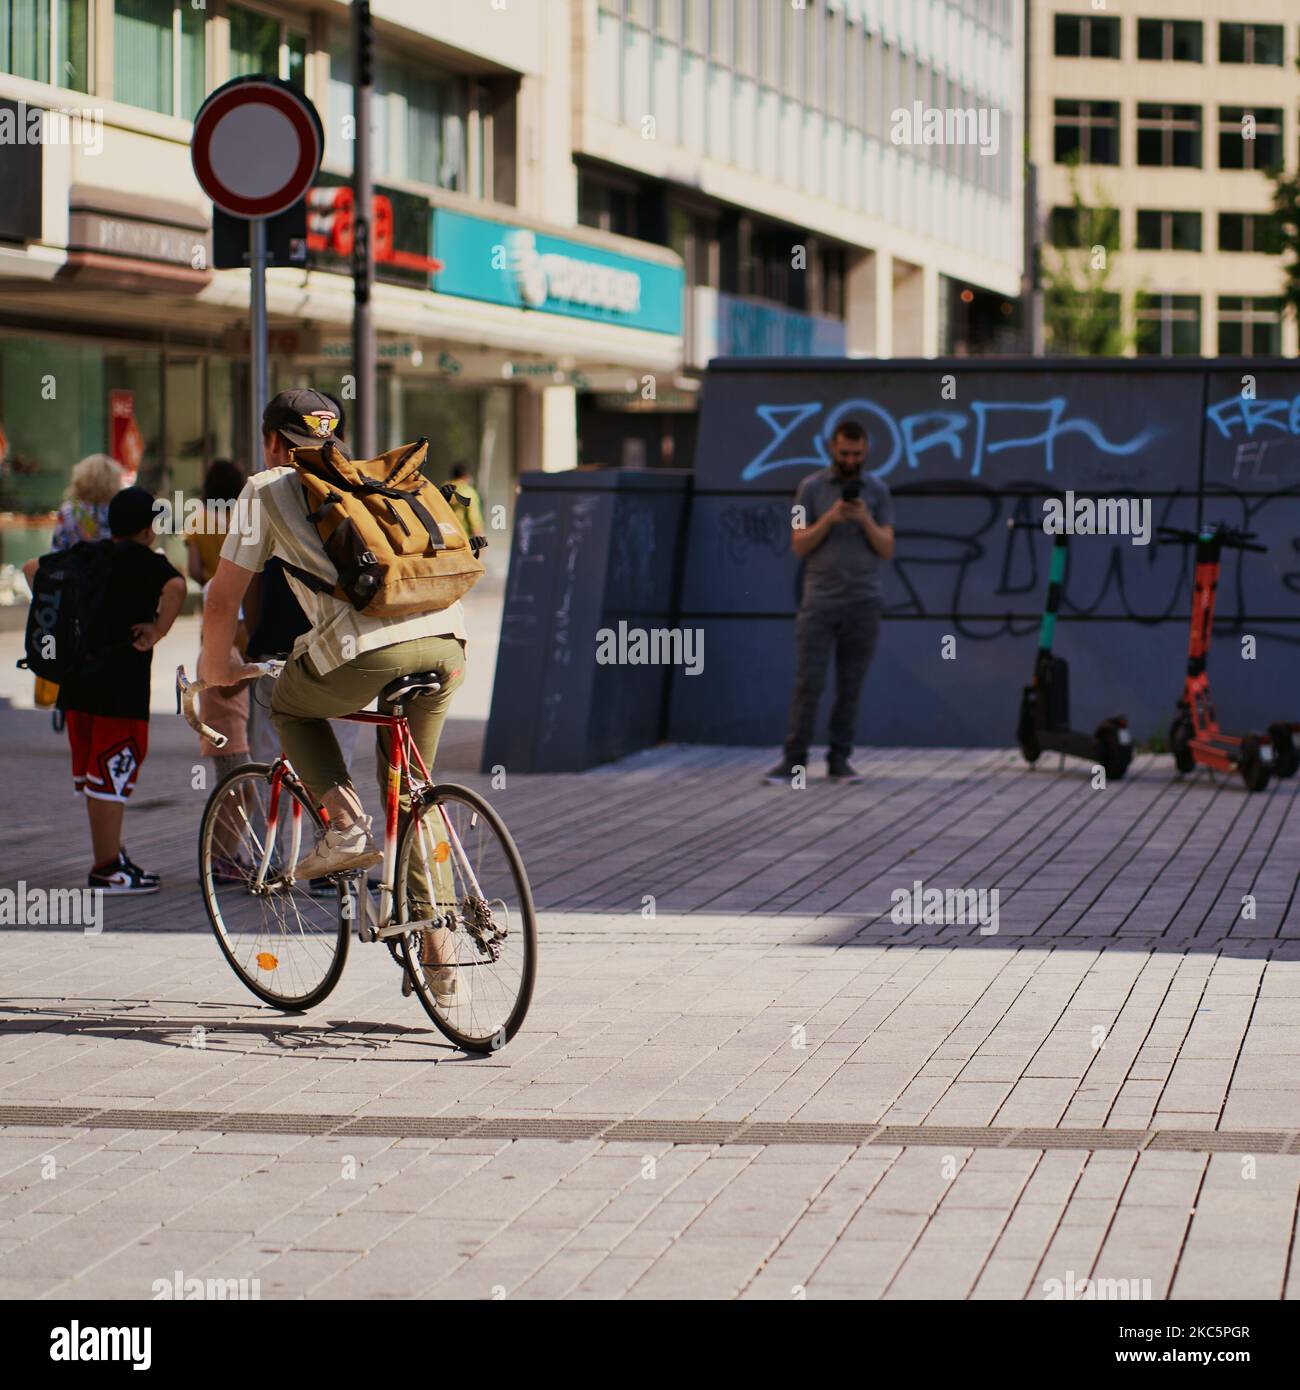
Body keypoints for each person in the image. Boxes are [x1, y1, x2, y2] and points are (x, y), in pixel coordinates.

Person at [198, 389, 468, 1000]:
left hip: (365, 650)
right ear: (332, 437)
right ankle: (442, 953)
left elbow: (220, 599)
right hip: (448, 644)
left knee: (287, 703)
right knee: (412, 793)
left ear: (272, 440)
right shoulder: (370, 480)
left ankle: (344, 827)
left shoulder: (266, 488)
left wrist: (218, 669)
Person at [24, 486, 186, 892]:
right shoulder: (148, 563)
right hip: (121, 689)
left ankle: (112, 856)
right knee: (111, 779)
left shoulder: (85, 554)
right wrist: (158, 629)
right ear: (149, 529)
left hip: (77, 687)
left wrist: (63, 616)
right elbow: (177, 588)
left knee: (97, 780)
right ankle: (107, 867)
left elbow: (31, 569)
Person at [766, 420, 895, 784]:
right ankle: (794, 760)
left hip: (864, 601)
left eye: (856, 454)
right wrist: (830, 518)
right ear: (831, 449)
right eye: (844, 453)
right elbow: (798, 543)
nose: (850, 460)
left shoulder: (879, 491)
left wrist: (865, 519)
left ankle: (840, 759)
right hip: (819, 603)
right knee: (809, 682)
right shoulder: (809, 489)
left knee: (851, 685)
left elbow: (887, 547)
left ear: (866, 451)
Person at [51, 453, 122, 551]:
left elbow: (57, 548)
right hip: (111, 565)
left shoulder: (69, 510)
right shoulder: (120, 508)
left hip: (73, 564)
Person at [446, 461, 485, 546]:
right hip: (462, 540)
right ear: (466, 476)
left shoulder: (443, 490)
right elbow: (474, 519)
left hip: (444, 539)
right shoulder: (469, 492)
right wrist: (480, 540)